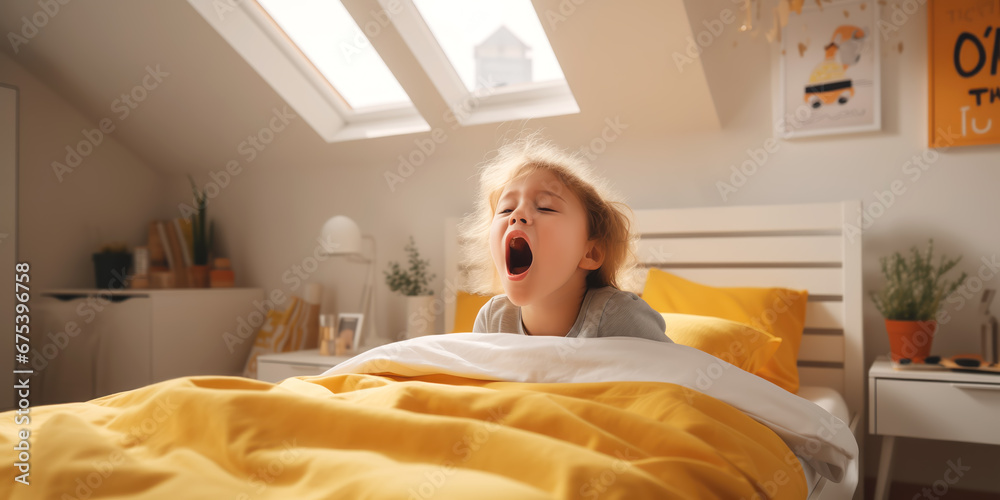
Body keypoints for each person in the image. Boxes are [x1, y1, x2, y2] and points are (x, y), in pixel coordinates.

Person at [459, 135, 669, 341]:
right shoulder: (492, 321)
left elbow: (675, 370)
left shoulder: (617, 317)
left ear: (591, 252)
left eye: (545, 207)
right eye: (506, 209)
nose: (516, 215)